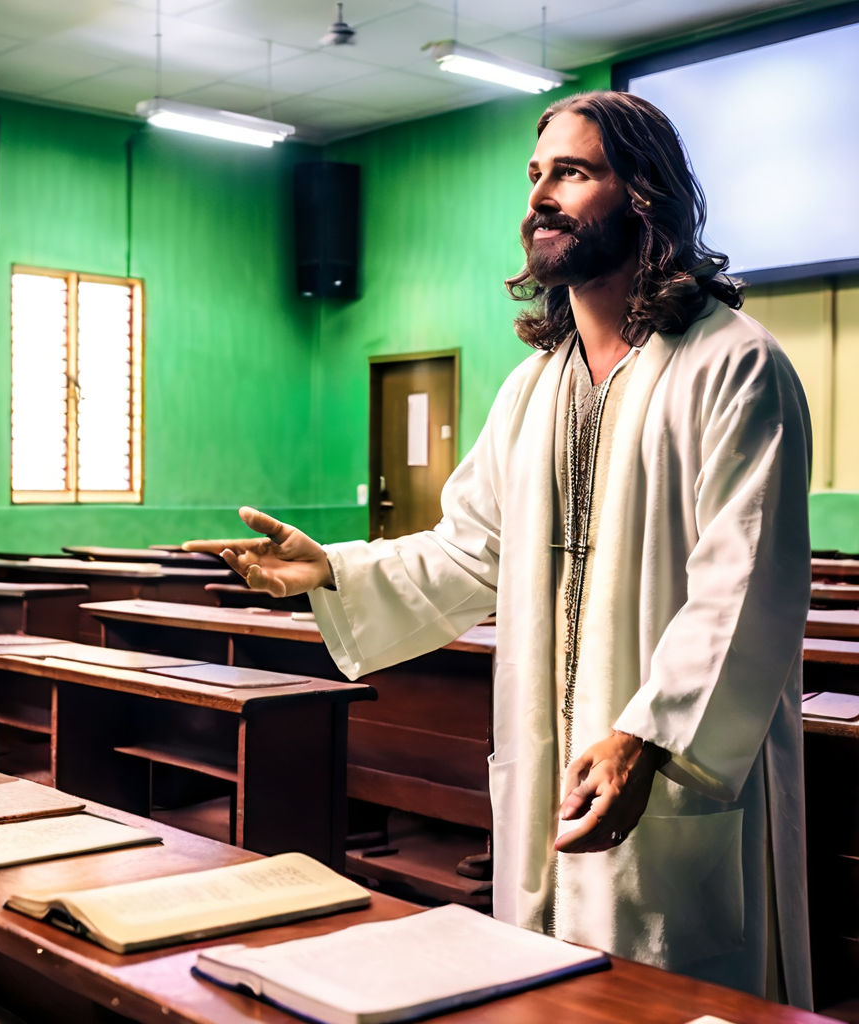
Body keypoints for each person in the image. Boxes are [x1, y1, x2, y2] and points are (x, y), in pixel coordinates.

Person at [185, 91, 813, 1008]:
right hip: (550, 762)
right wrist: (337, 569)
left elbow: (746, 583)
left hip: (669, 771)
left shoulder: (734, 365)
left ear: (643, 193)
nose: (540, 197)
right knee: (552, 992)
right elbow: (471, 549)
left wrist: (651, 733)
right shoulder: (531, 390)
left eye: (573, 171)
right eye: (534, 175)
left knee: (681, 995)